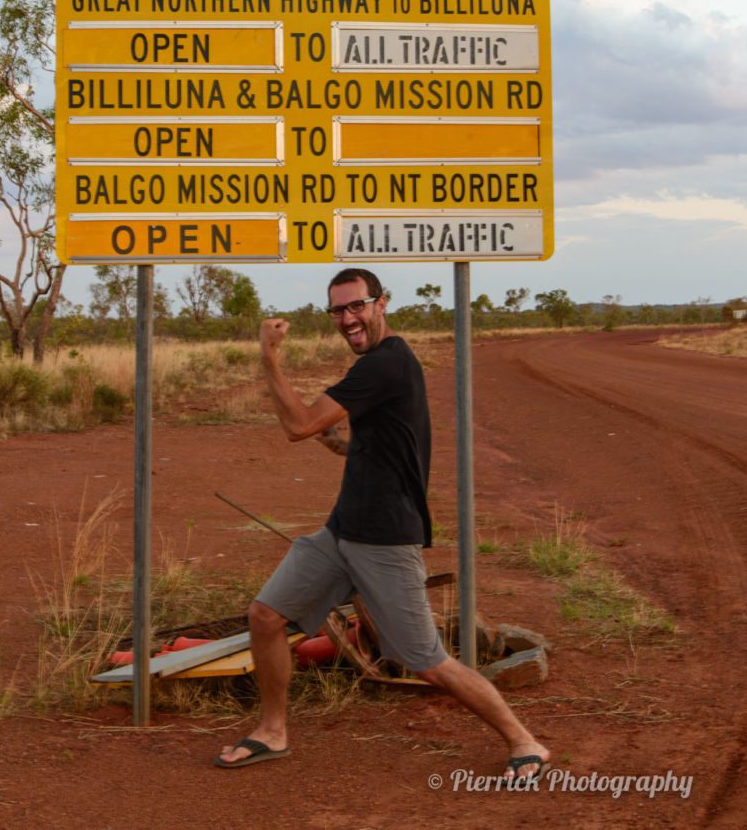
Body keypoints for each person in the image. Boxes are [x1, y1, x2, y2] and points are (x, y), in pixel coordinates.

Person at [215, 268, 549, 780]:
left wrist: (268, 357)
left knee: (427, 660)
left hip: (386, 540)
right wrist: (347, 445)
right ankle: (273, 730)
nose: (347, 319)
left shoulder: (385, 365)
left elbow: (298, 426)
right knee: (265, 616)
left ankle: (524, 742)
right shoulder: (382, 364)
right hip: (341, 530)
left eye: (357, 307)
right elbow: (395, 441)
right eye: (338, 310)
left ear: (381, 304)